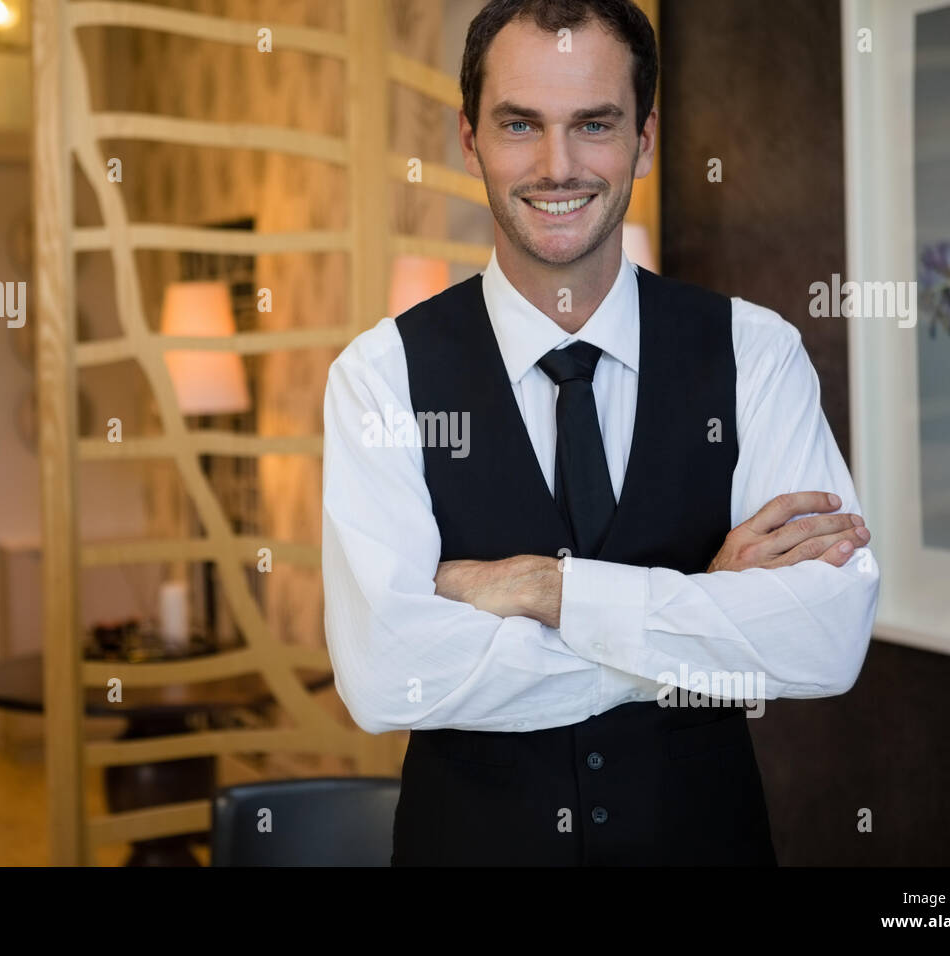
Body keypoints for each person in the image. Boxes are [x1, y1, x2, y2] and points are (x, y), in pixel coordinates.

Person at [322, 0, 880, 866]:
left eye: (594, 123)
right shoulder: (380, 375)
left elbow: (824, 638)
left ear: (644, 139)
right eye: (519, 124)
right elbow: (389, 673)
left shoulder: (755, 352)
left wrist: (547, 590)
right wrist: (701, 612)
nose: (557, 165)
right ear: (469, 139)